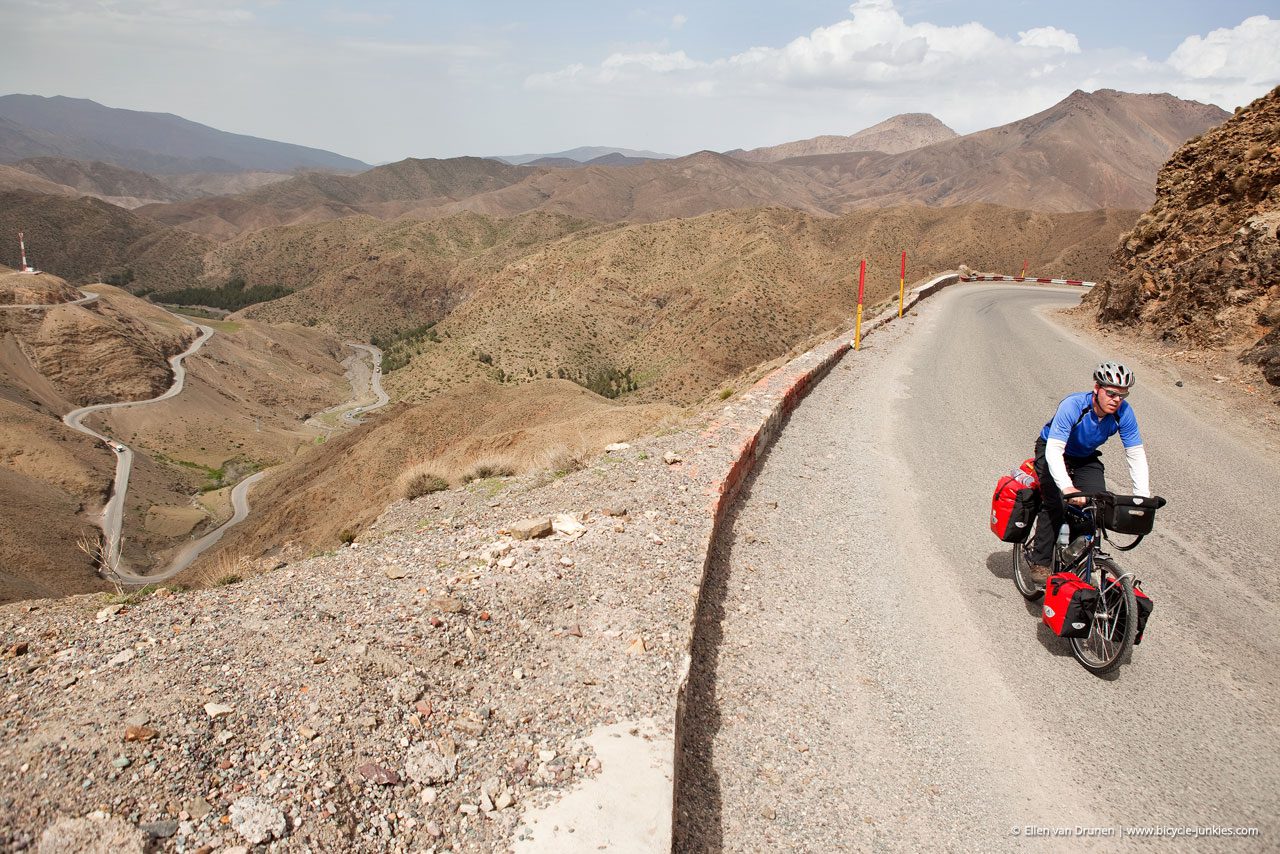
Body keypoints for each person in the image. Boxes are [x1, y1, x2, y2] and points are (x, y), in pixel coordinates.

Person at [1027, 361, 1151, 583]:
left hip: (1085, 456)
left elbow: (1135, 453)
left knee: (1097, 506)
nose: (1116, 400)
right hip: (1053, 449)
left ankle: (1074, 558)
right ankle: (1041, 562)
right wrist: (1067, 487)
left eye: (1122, 396)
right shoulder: (1074, 405)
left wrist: (1141, 496)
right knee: (1056, 501)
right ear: (1097, 388)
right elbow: (1055, 450)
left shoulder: (1123, 412)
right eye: (1111, 393)